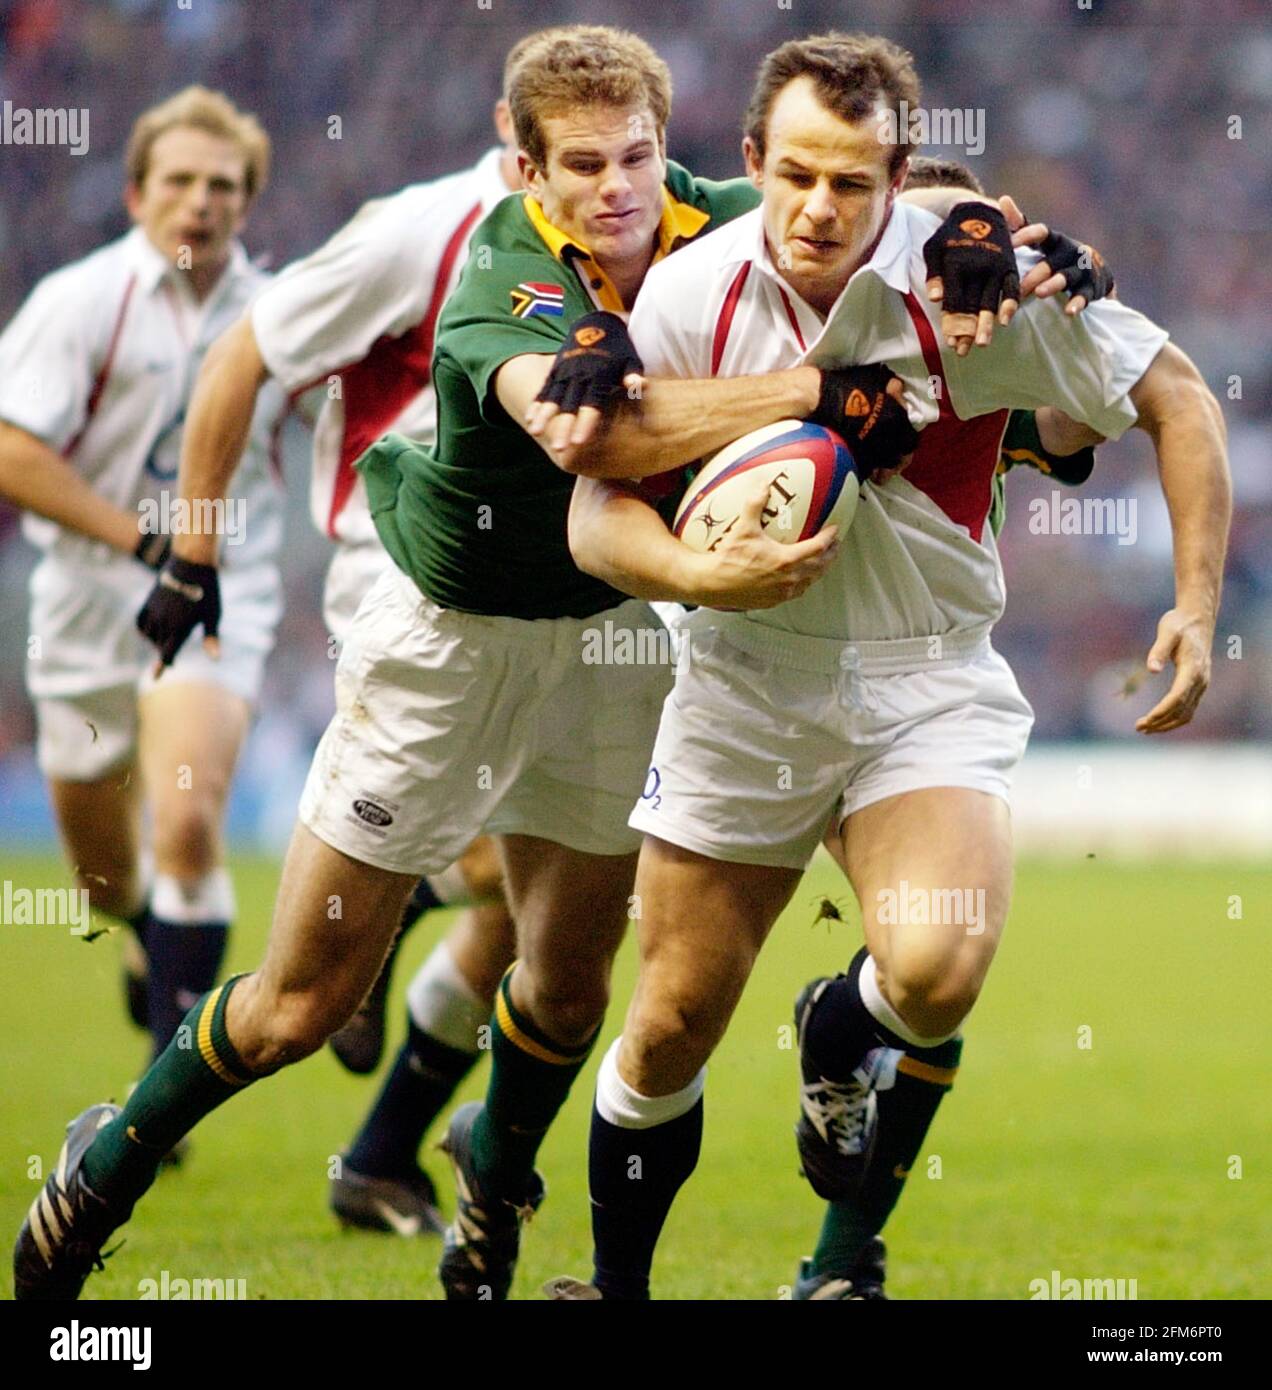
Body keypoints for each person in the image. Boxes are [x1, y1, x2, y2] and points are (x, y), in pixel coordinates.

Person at [11, 24, 826, 1304]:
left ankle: (488, 1187)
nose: (619, 190)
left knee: (566, 985)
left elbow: (854, 206)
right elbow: (586, 440)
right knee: (296, 1004)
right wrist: (811, 388)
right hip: (448, 642)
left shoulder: (706, 217)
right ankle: (99, 1169)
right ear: (526, 168)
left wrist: (987, 235)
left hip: (612, 638)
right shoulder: (493, 261)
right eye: (584, 165)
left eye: (639, 157)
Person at [544, 31, 1229, 1299]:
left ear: (897, 178)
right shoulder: (693, 298)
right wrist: (699, 576)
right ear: (753, 162)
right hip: (742, 680)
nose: (818, 207)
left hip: (923, 683)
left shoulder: (983, 285)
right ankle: (617, 1286)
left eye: (852, 183)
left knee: (935, 968)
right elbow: (595, 509)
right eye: (795, 174)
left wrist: (1195, 603)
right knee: (670, 1025)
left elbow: (1176, 398)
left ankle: (841, 1030)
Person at [137, 41, 542, 1238]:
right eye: (569, 150)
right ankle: (118, 1144)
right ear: (513, 139)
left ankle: (378, 1154)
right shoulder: (419, 232)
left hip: (545, 599)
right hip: (405, 582)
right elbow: (243, 355)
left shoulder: (635, 233)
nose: (610, 178)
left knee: (552, 904)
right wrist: (191, 551)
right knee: (499, 884)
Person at [0, 87, 284, 1068]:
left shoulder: (282, 313)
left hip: (220, 590)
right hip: (84, 601)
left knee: (190, 816)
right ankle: (141, 941)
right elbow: (10, 449)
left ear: (247, 203)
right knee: (102, 877)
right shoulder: (80, 300)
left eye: (223, 186)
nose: (200, 203)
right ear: (135, 196)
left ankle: (162, 1101)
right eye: (180, 183)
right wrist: (141, 541)